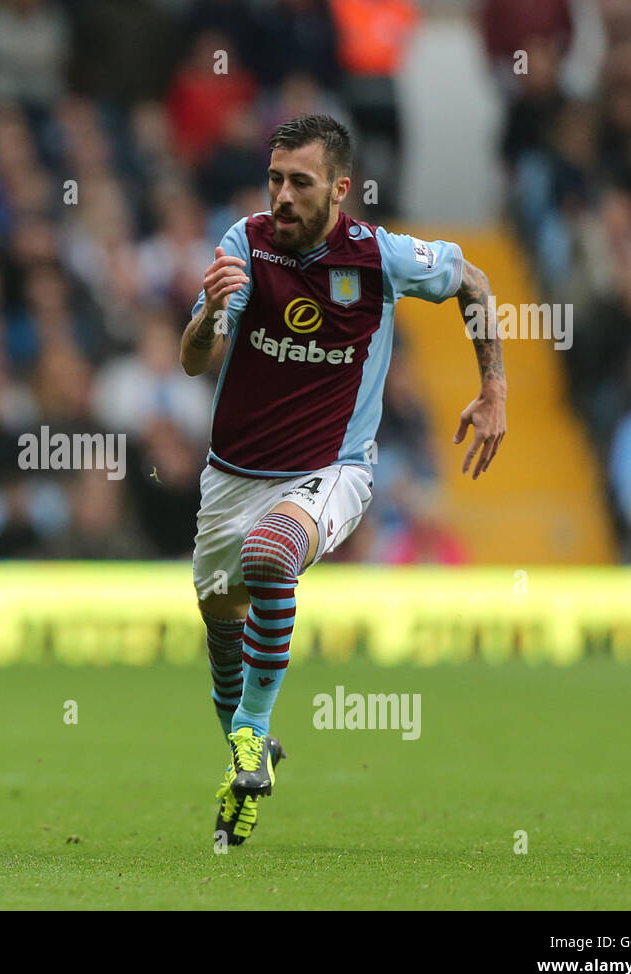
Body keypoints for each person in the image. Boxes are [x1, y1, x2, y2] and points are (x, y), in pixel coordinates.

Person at [180, 114, 506, 846]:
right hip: (231, 476)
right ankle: (246, 750)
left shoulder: (380, 256)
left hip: (332, 471)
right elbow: (195, 359)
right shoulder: (245, 244)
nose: (283, 197)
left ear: (339, 188)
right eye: (274, 180)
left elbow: (476, 283)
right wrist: (206, 314)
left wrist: (495, 392)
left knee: (271, 556)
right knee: (221, 627)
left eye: (300, 182)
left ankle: (253, 734)